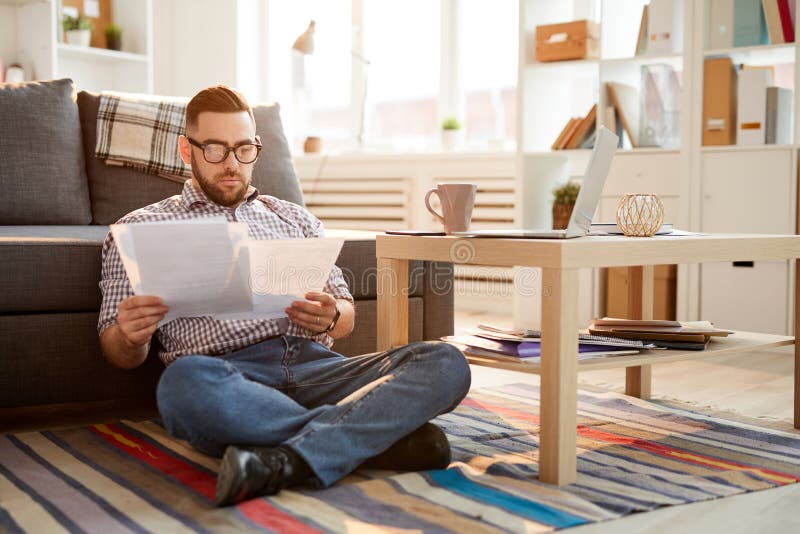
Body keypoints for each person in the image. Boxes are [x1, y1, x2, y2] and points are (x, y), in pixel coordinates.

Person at [97, 85, 471, 507]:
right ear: (187, 150)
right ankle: (377, 438)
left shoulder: (295, 218)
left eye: (244, 150)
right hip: (228, 379)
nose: (232, 164)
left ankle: (285, 459)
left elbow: (346, 316)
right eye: (216, 150)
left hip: (319, 371)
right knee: (180, 387)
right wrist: (131, 336)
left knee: (445, 362)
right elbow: (117, 351)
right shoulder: (137, 229)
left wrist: (333, 317)